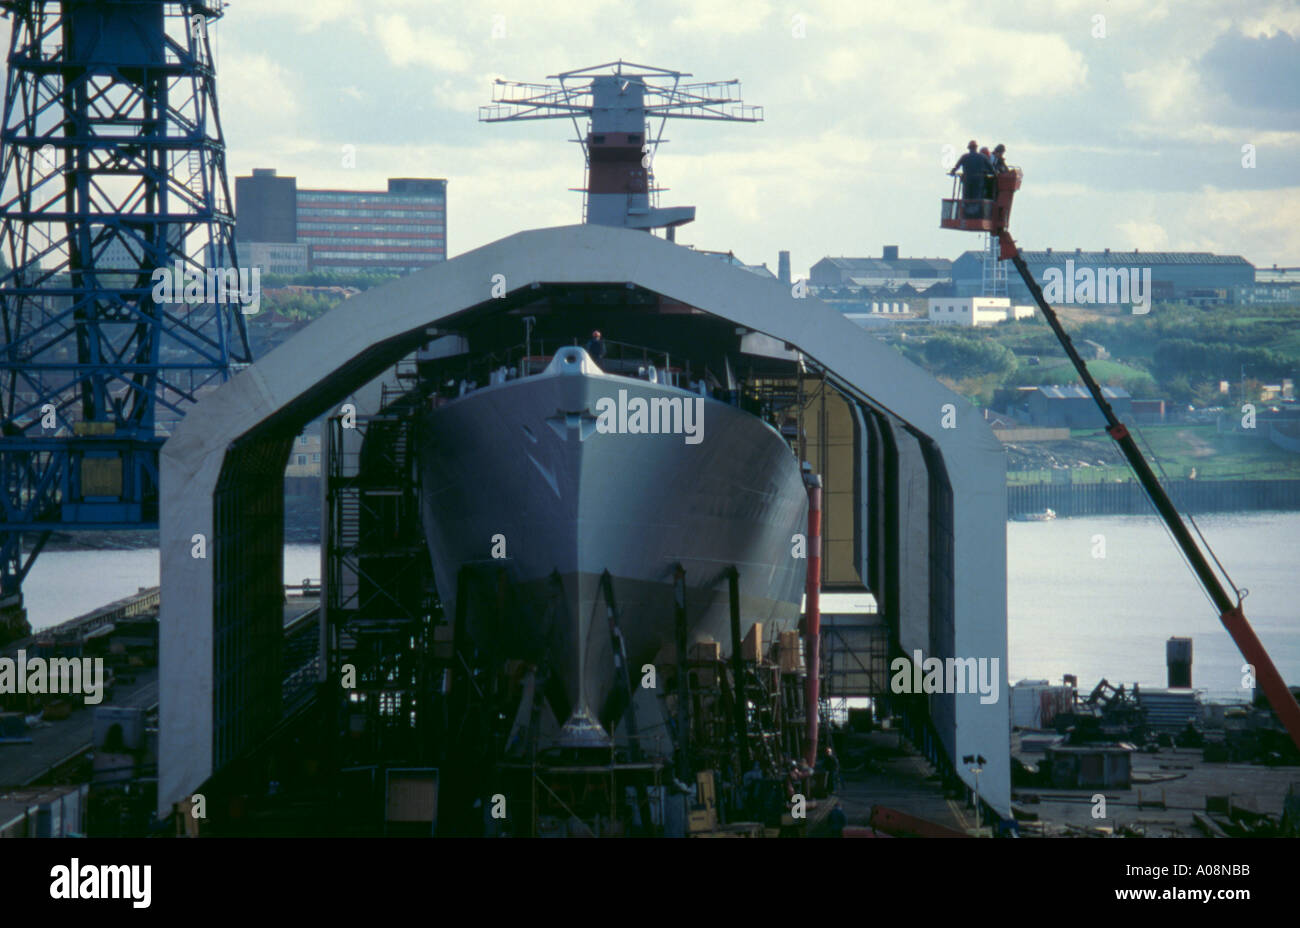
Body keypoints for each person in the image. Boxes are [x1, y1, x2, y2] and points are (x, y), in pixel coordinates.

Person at [949, 140, 992, 216]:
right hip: (978, 182)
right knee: (977, 198)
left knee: (967, 198)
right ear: (976, 148)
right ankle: (976, 215)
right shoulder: (982, 157)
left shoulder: (965, 157)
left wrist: (952, 172)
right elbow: (992, 170)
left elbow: (956, 167)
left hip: (967, 181)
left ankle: (966, 214)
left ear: (969, 148)